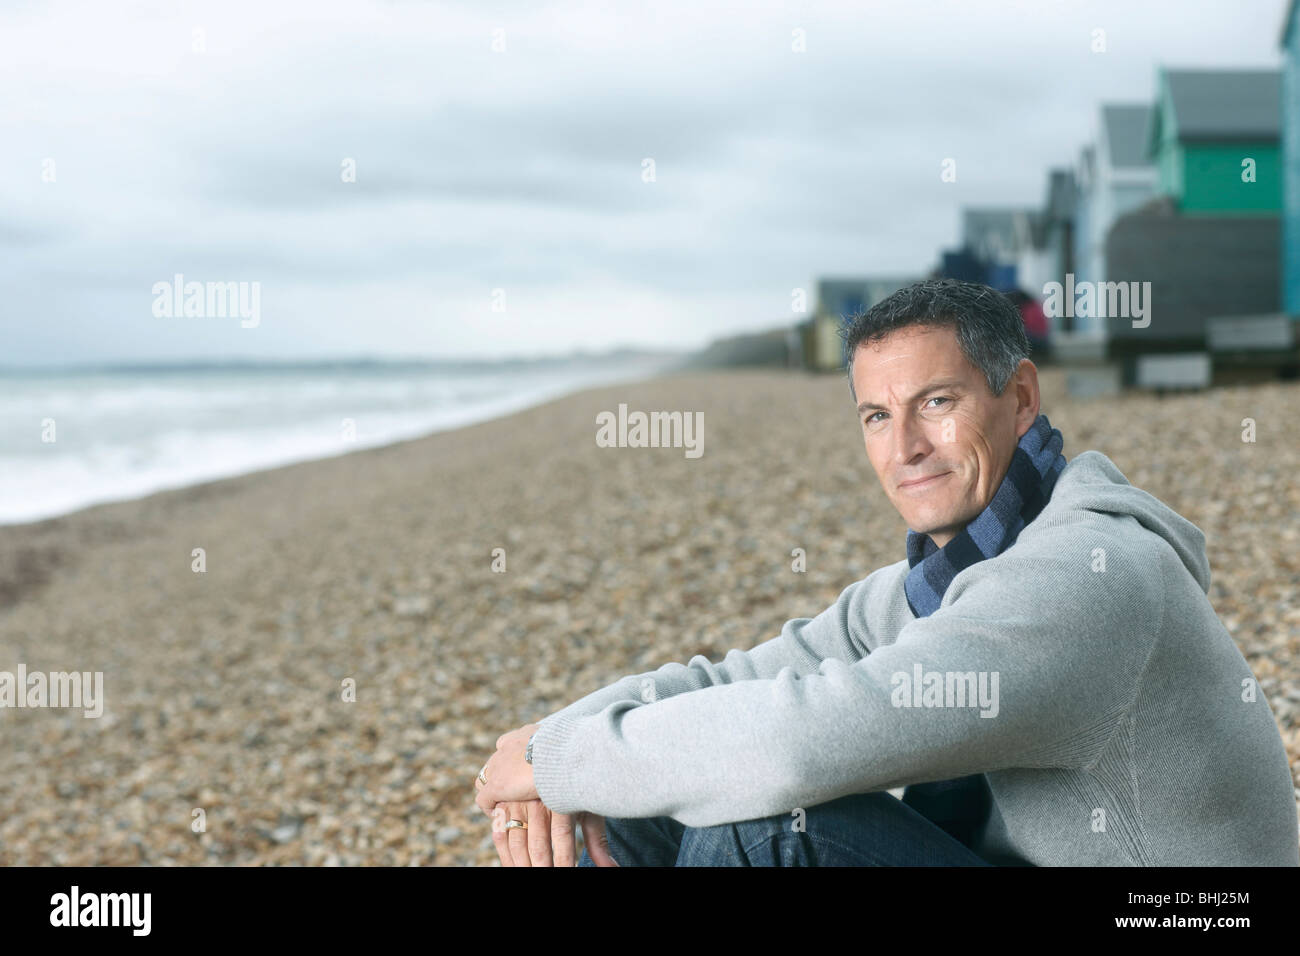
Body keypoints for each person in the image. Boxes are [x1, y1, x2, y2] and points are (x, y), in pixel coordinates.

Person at [473, 278, 1300, 867]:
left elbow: (796, 743)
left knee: (769, 830)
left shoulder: (1089, 576)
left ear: (1020, 398)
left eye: (936, 403)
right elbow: (730, 681)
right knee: (625, 817)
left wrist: (560, 760)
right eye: (877, 415)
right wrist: (541, 750)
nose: (903, 447)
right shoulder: (943, 582)